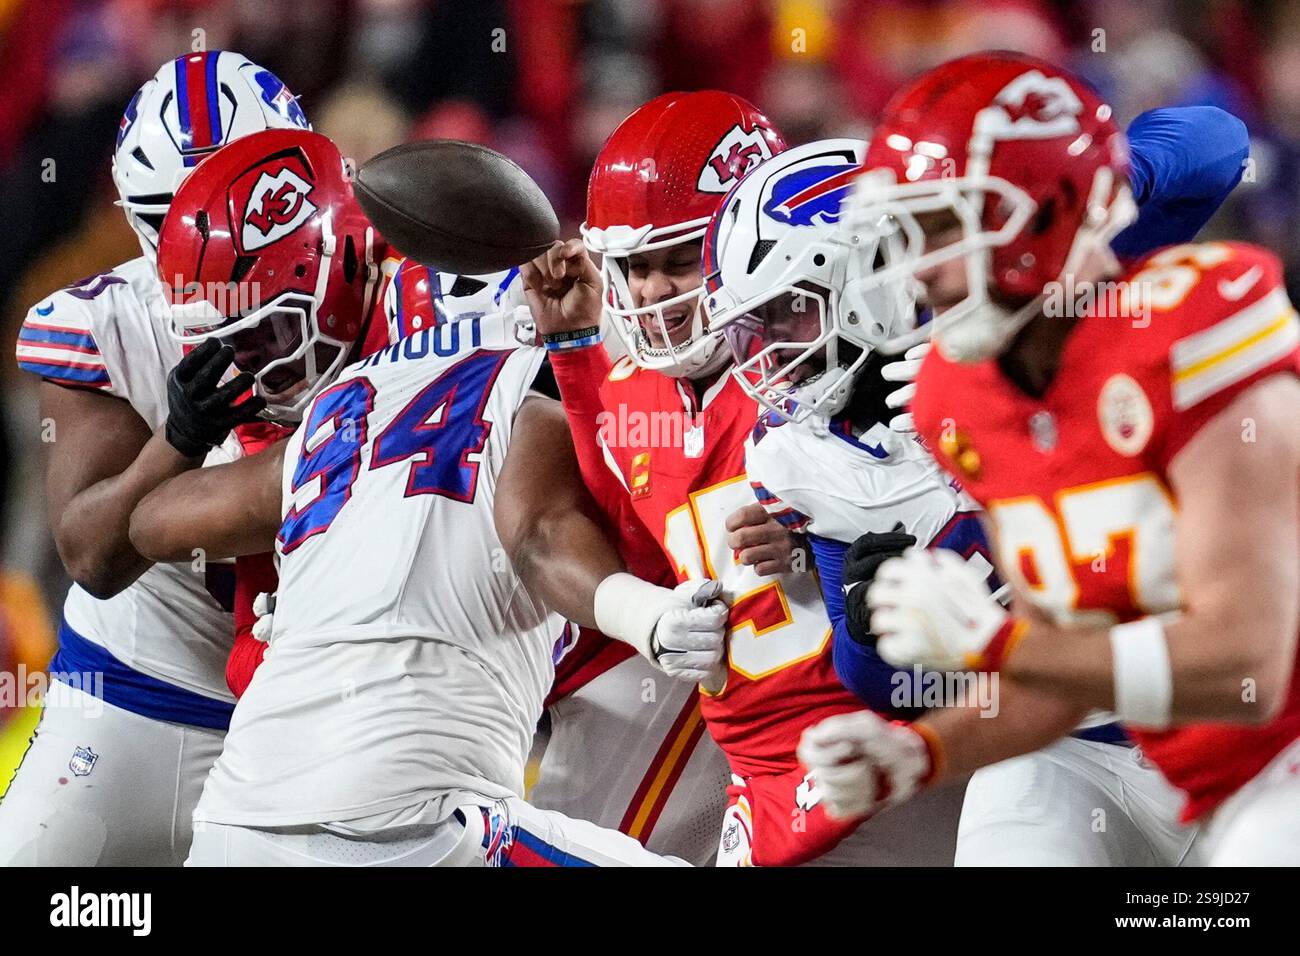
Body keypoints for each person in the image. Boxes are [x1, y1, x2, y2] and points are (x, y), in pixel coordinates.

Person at [133, 126, 727, 866]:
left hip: (231, 827)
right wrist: (653, 616)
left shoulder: (335, 409)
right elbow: (540, 535)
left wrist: (189, 444)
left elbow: (150, 524)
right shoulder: (528, 385)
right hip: (407, 823)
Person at [703, 92, 1251, 867]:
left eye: (789, 312)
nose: (766, 351)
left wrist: (1092, 191)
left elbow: (1217, 139)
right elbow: (892, 692)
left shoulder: (1032, 286)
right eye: (756, 326)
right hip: (1070, 743)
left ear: (869, 283)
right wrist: (875, 625)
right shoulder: (801, 458)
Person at [526, 100, 963, 867]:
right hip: (760, 776)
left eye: (677, 259)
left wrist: (814, 542)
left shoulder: (839, 363)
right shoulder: (638, 388)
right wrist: (573, 350)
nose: (654, 291)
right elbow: (629, 523)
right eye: (632, 267)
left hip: (888, 728)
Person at [2, 51, 310, 866]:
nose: (212, 242)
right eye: (179, 215)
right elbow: (90, 555)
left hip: (323, 709)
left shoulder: (386, 282)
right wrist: (179, 437)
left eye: (240, 206)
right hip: (142, 692)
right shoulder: (107, 323)